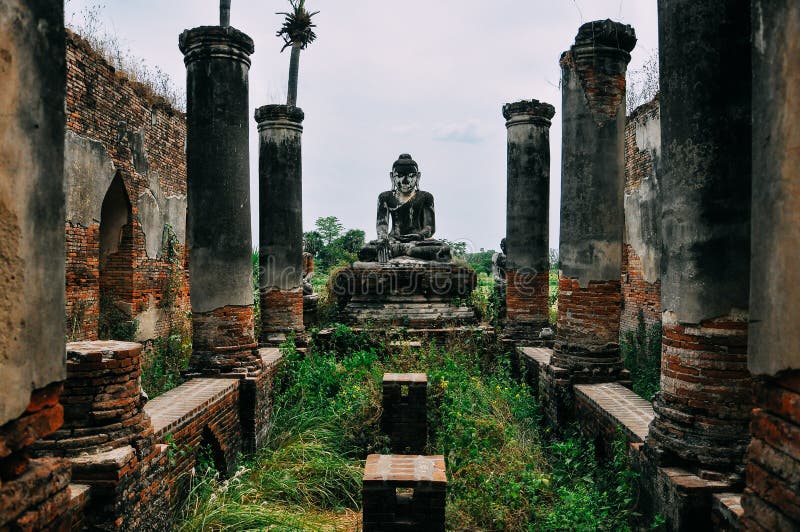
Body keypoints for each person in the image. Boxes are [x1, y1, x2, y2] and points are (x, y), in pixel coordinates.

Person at [358, 154, 451, 262]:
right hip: (393, 240)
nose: (405, 181)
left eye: (411, 176)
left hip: (417, 242)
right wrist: (383, 240)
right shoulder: (385, 197)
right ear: (392, 176)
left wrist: (418, 235)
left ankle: (402, 251)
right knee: (365, 250)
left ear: (418, 177)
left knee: (443, 249)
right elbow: (382, 224)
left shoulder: (425, 197)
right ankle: (405, 250)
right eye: (400, 176)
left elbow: (430, 228)